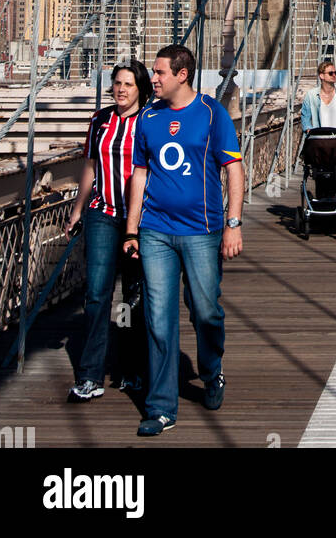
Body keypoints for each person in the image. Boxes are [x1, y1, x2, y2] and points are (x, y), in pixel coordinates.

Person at [123, 44, 244, 437]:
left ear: (182, 75)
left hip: (202, 231)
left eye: (159, 72)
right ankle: (161, 408)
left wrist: (234, 223)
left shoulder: (212, 114)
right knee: (158, 318)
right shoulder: (148, 117)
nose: (152, 79)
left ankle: (211, 371)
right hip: (156, 230)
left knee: (206, 309)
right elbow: (140, 174)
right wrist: (131, 229)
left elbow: (234, 170)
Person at [67, 60, 153, 401]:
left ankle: (130, 371)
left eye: (128, 84)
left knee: (133, 297)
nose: (121, 89)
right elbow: (90, 166)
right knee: (98, 294)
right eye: (117, 83)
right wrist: (77, 209)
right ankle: (90, 375)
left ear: (140, 89)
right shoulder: (100, 120)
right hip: (102, 213)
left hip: (140, 219)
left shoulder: (149, 120)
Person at [300, 57, 336, 136]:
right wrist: (312, 135)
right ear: (321, 76)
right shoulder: (311, 96)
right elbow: (305, 119)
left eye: (335, 73)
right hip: (320, 141)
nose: (334, 75)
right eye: (330, 73)